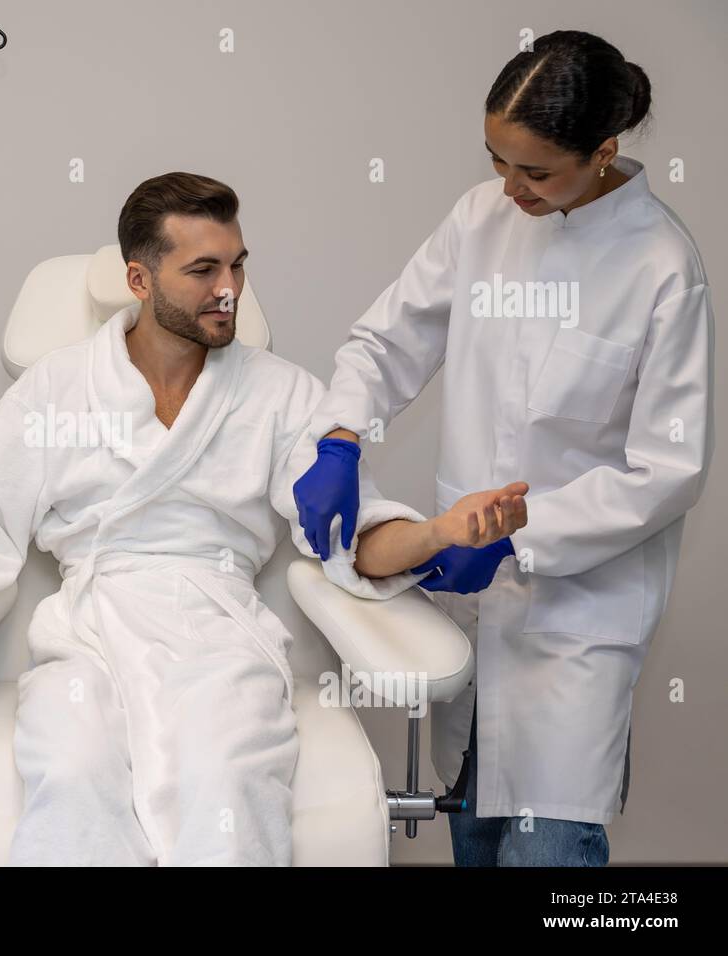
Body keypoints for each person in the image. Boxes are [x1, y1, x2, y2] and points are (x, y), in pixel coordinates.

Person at [0, 172, 527, 865]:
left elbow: (350, 537)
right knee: (70, 769)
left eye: (238, 265)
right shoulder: (57, 388)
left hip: (221, 636)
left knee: (228, 776)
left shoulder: (282, 395)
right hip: (89, 633)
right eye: (202, 269)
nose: (228, 288)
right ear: (139, 279)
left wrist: (438, 534)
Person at [294, 31, 714, 866]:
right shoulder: (480, 219)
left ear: (603, 152)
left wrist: (521, 537)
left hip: (577, 614)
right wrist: (340, 437)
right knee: (476, 828)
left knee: (550, 846)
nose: (509, 187)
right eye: (496, 160)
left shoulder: (663, 267)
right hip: (467, 594)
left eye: (535, 171)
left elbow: (667, 471)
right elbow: (386, 343)